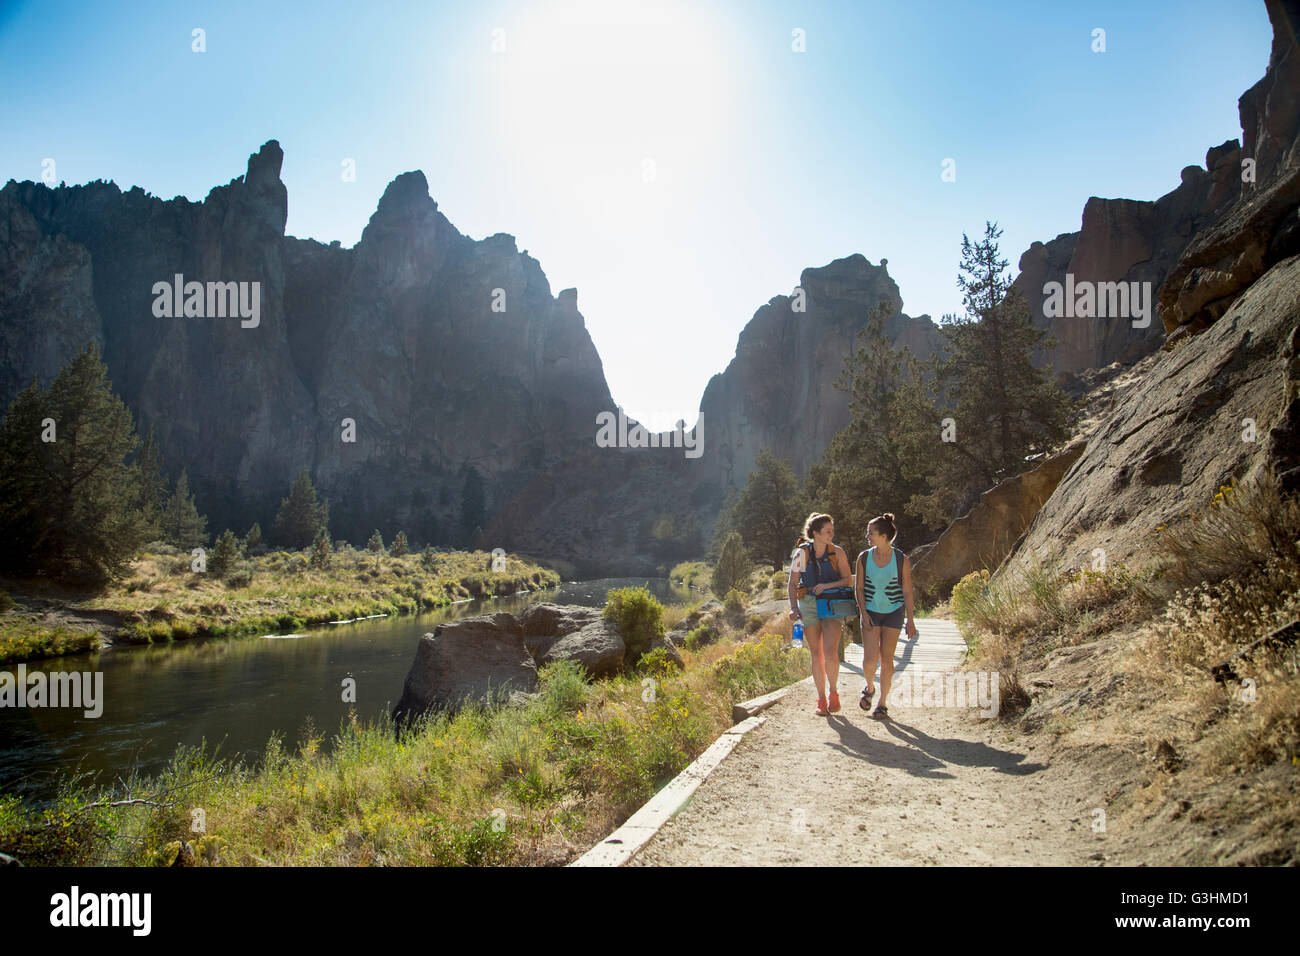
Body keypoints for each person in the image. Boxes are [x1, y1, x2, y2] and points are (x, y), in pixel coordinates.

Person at [787, 512, 854, 715]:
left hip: (832, 604)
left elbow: (847, 580)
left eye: (832, 531)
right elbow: (792, 582)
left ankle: (834, 693)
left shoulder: (837, 552)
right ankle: (821, 699)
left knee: (831, 651)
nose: (831, 535)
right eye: (827, 531)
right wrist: (794, 607)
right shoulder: (800, 553)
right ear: (815, 533)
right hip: (807, 604)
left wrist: (827, 585)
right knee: (816, 653)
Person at [854, 512, 917, 720]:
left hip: (893, 613)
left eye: (870, 533)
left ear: (883, 536)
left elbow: (907, 591)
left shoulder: (901, 560)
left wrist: (910, 619)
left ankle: (882, 704)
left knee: (887, 660)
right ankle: (870, 687)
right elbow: (859, 588)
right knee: (869, 660)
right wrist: (863, 612)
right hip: (871, 612)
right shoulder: (864, 558)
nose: (867, 536)